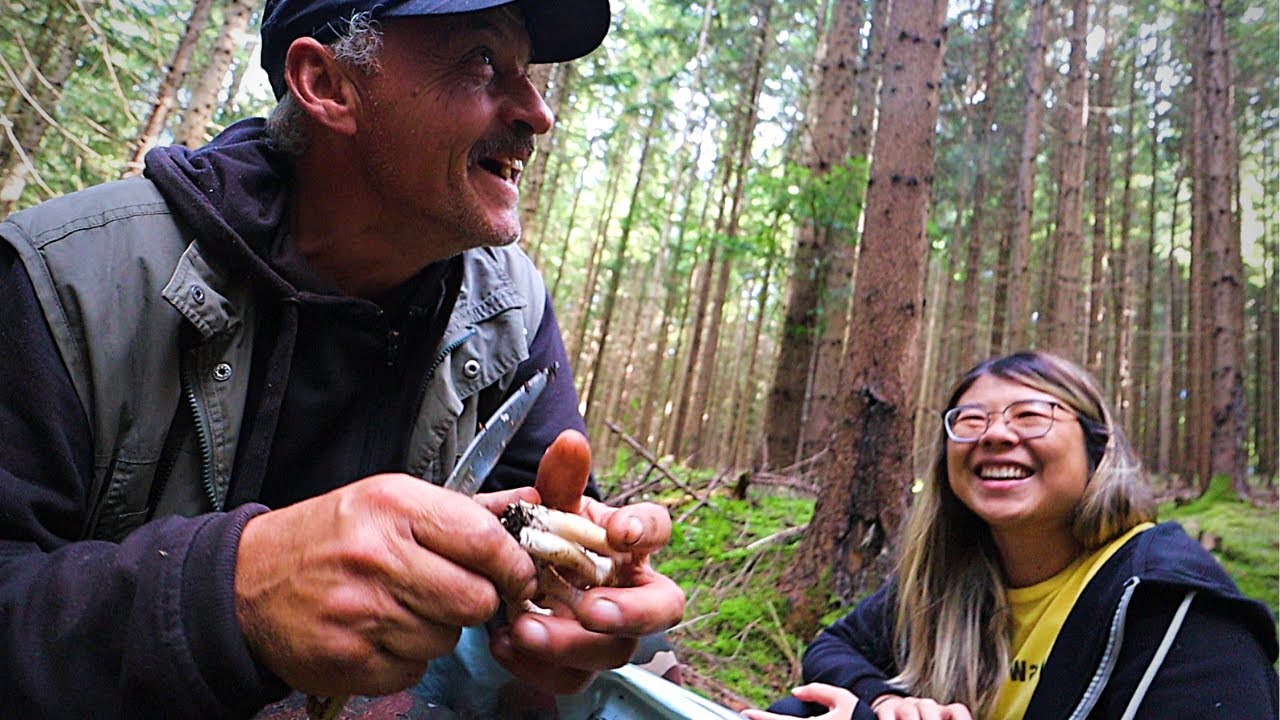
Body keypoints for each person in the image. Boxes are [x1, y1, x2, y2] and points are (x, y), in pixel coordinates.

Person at [0, 1, 685, 717]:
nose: (538, 112)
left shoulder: (508, 310)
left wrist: (575, 595)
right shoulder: (68, 281)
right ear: (326, 85)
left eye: (529, 72)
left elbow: (547, 520)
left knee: (635, 685)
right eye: (483, 58)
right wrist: (229, 596)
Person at [744, 350, 1278, 720]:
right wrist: (881, 700)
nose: (996, 435)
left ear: (1097, 448)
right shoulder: (953, 580)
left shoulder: (1171, 600)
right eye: (970, 421)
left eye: (1031, 415)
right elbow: (834, 645)